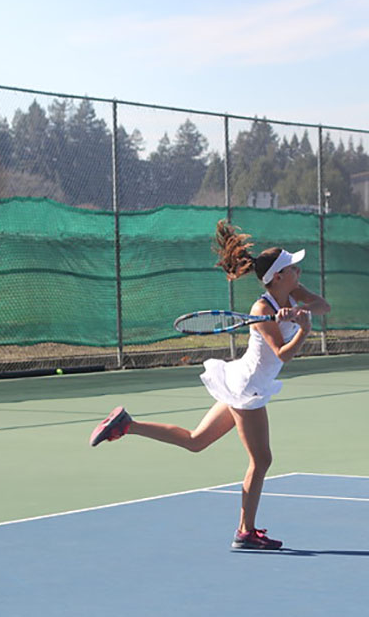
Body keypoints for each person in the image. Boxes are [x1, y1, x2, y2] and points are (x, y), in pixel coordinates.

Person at [88, 219, 330, 550]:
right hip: (249, 388)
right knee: (261, 460)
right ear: (277, 277)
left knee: (196, 441)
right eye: (292, 268)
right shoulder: (261, 309)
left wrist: (298, 311)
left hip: (245, 380)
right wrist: (302, 330)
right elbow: (283, 355)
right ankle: (246, 531)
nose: (298, 271)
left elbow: (323, 305)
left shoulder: (291, 293)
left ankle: (127, 425)